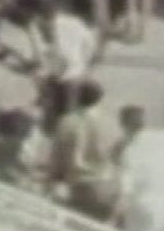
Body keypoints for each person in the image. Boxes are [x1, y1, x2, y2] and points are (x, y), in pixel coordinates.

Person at [49, 80, 118, 220]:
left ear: (77, 97)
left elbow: (57, 157)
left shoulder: (68, 121)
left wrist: (54, 180)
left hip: (78, 186)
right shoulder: (110, 124)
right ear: (100, 99)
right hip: (105, 184)